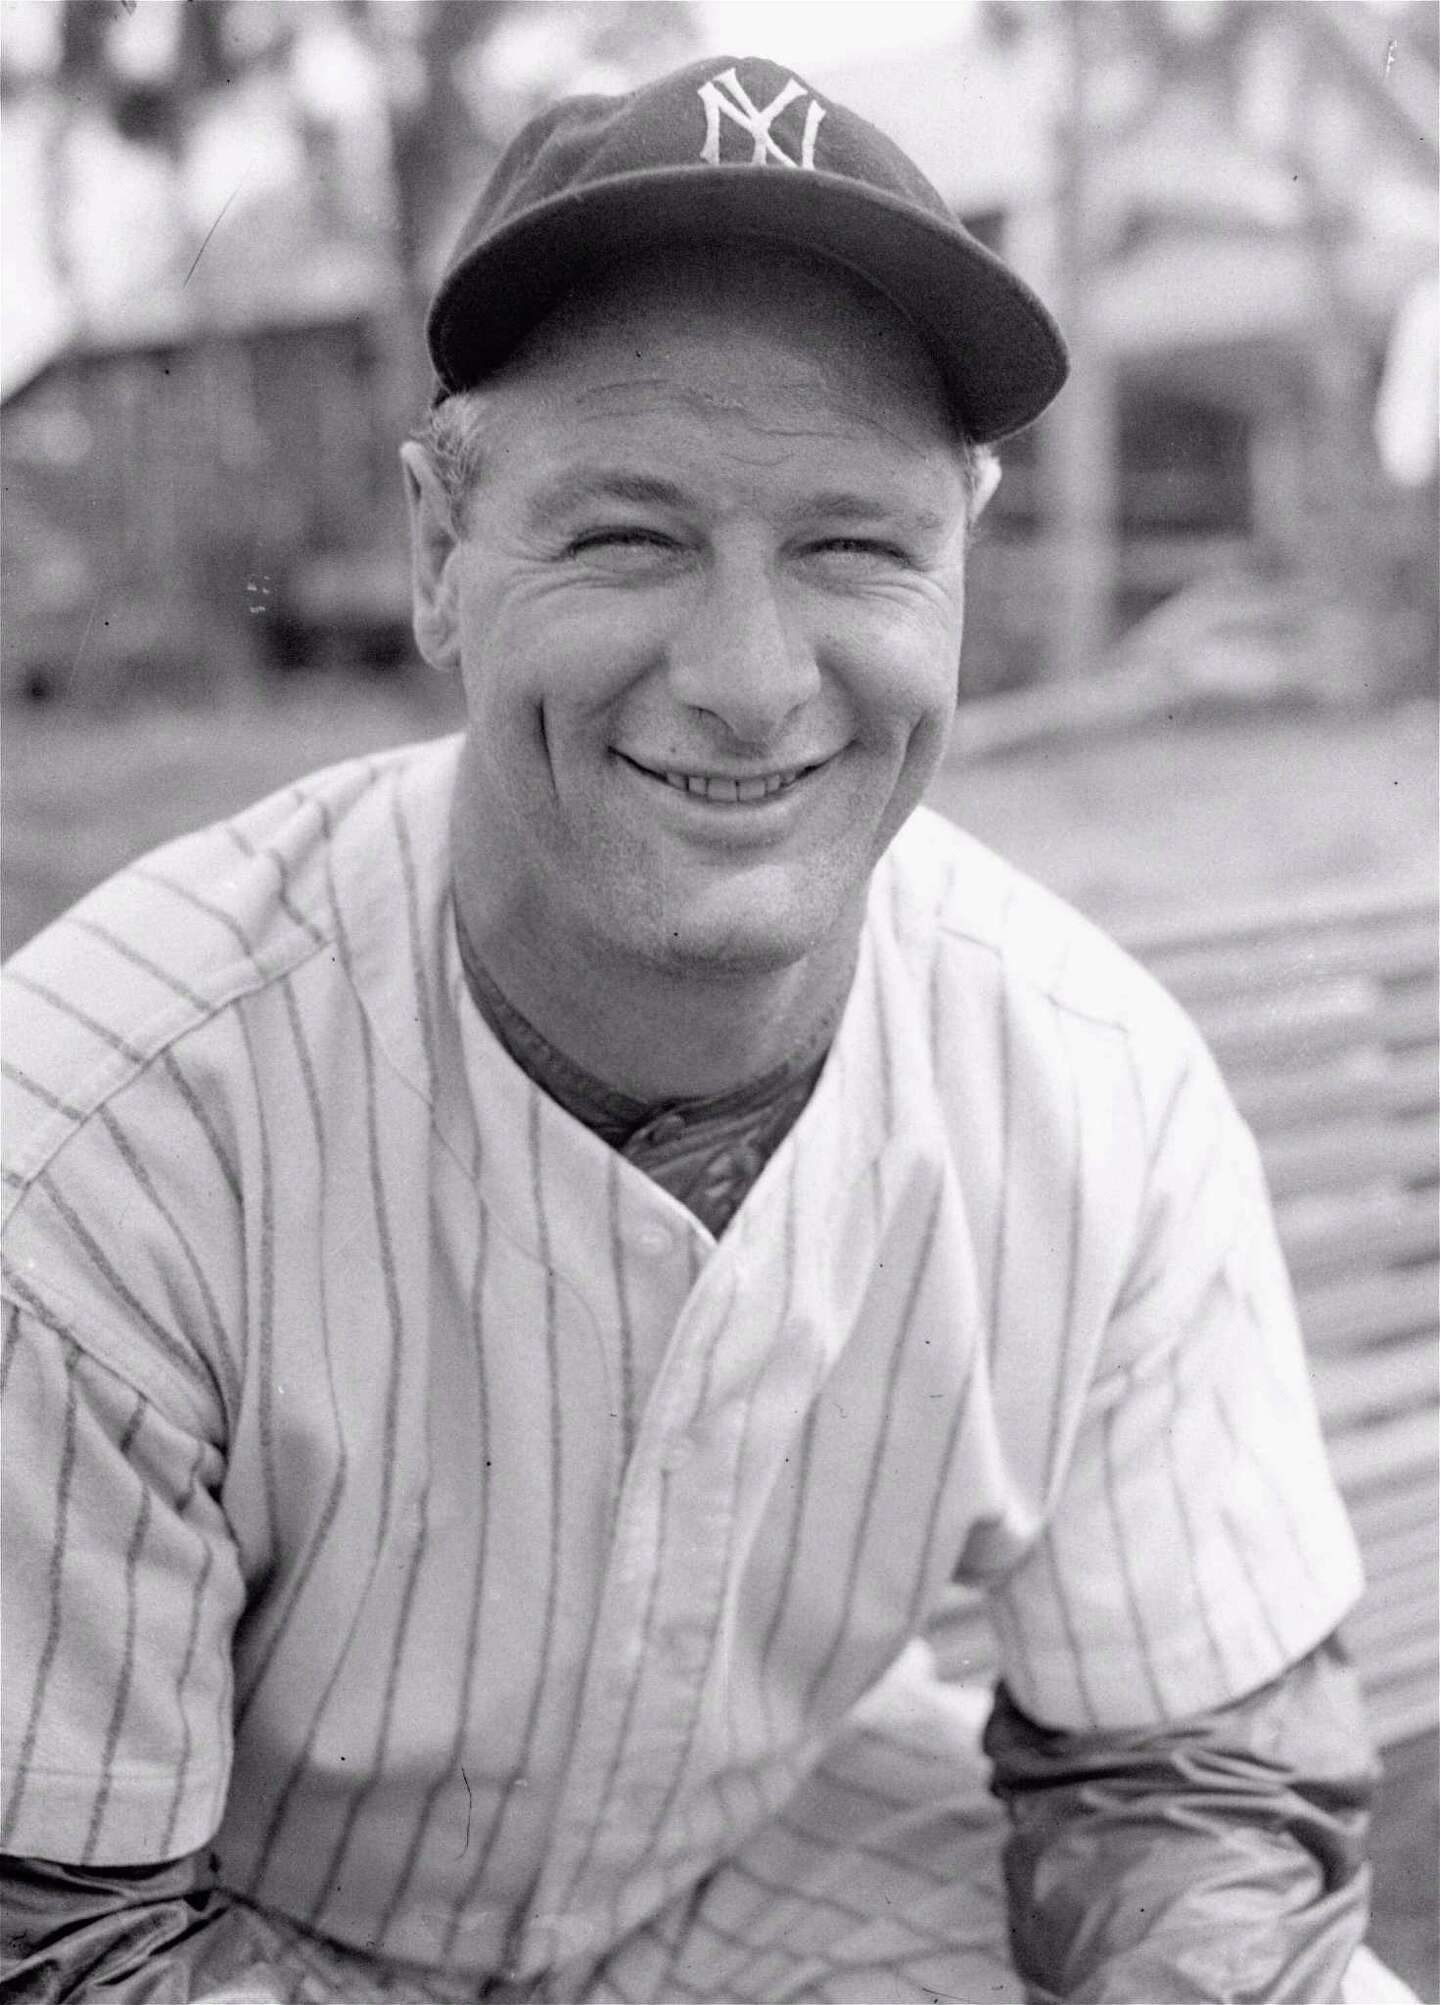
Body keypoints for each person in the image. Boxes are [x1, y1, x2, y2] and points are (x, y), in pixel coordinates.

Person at [0, 53, 1416, 2005]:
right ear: (439, 553)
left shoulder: (1098, 1093)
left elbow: (1189, 1787)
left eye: (855, 546)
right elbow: (57, 1939)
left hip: (757, 1861)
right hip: (231, 1914)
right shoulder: (93, 1132)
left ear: (963, 558)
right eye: (629, 537)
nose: (752, 685)